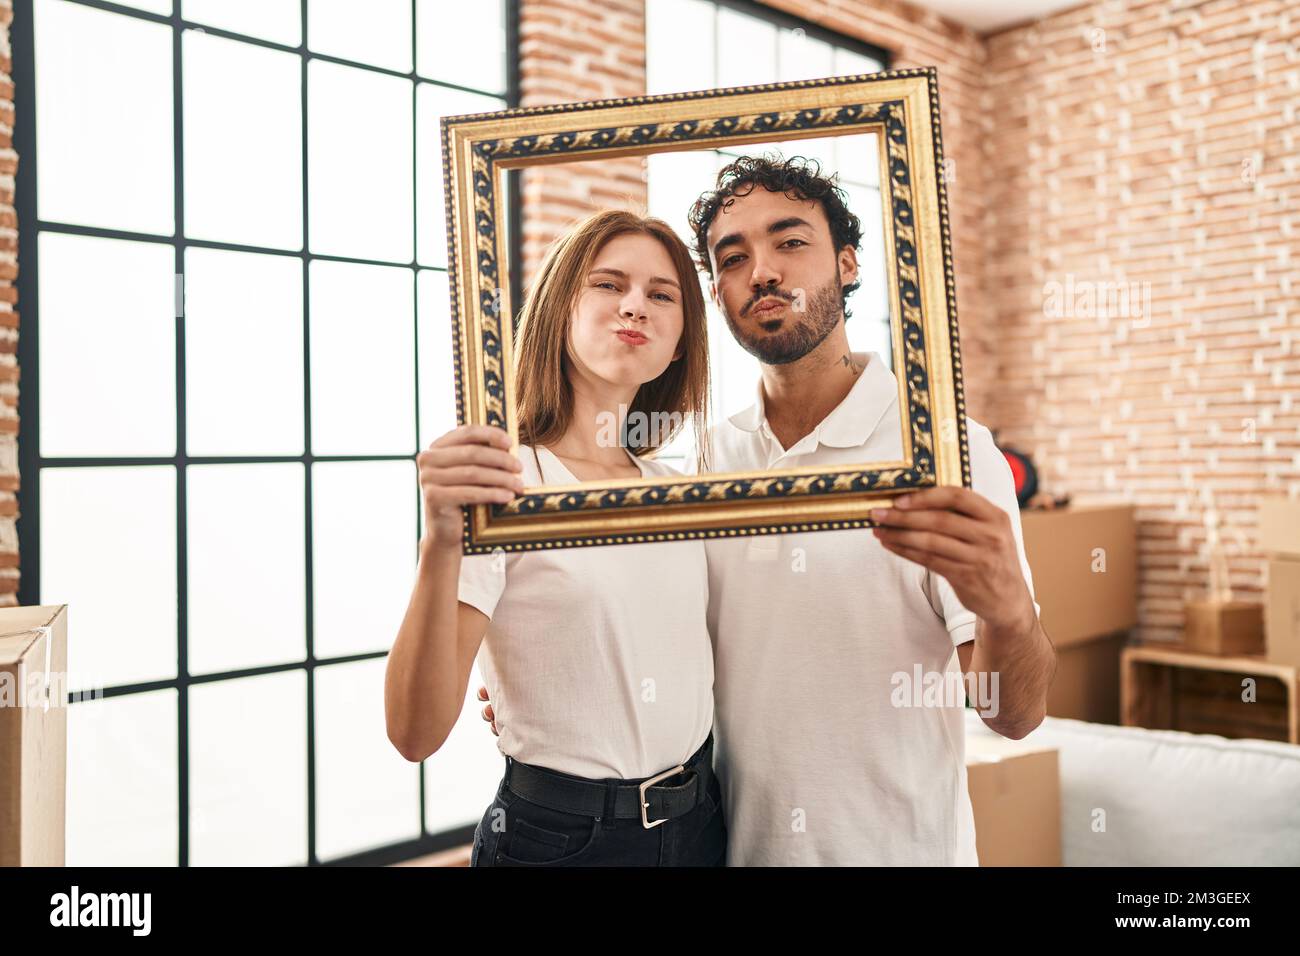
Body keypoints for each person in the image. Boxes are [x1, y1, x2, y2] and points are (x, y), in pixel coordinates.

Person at [481, 154, 1055, 866]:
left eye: (790, 242)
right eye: (733, 257)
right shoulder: (705, 467)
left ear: (847, 263)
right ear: (715, 295)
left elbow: (1016, 714)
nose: (763, 272)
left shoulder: (946, 453)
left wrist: (1008, 612)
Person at [385, 208, 725, 867]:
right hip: (564, 841)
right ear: (559, 308)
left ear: (680, 342)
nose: (635, 305)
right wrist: (440, 546)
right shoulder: (504, 482)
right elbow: (414, 733)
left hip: (701, 822)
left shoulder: (679, 491)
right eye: (608, 284)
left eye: (662, 295)